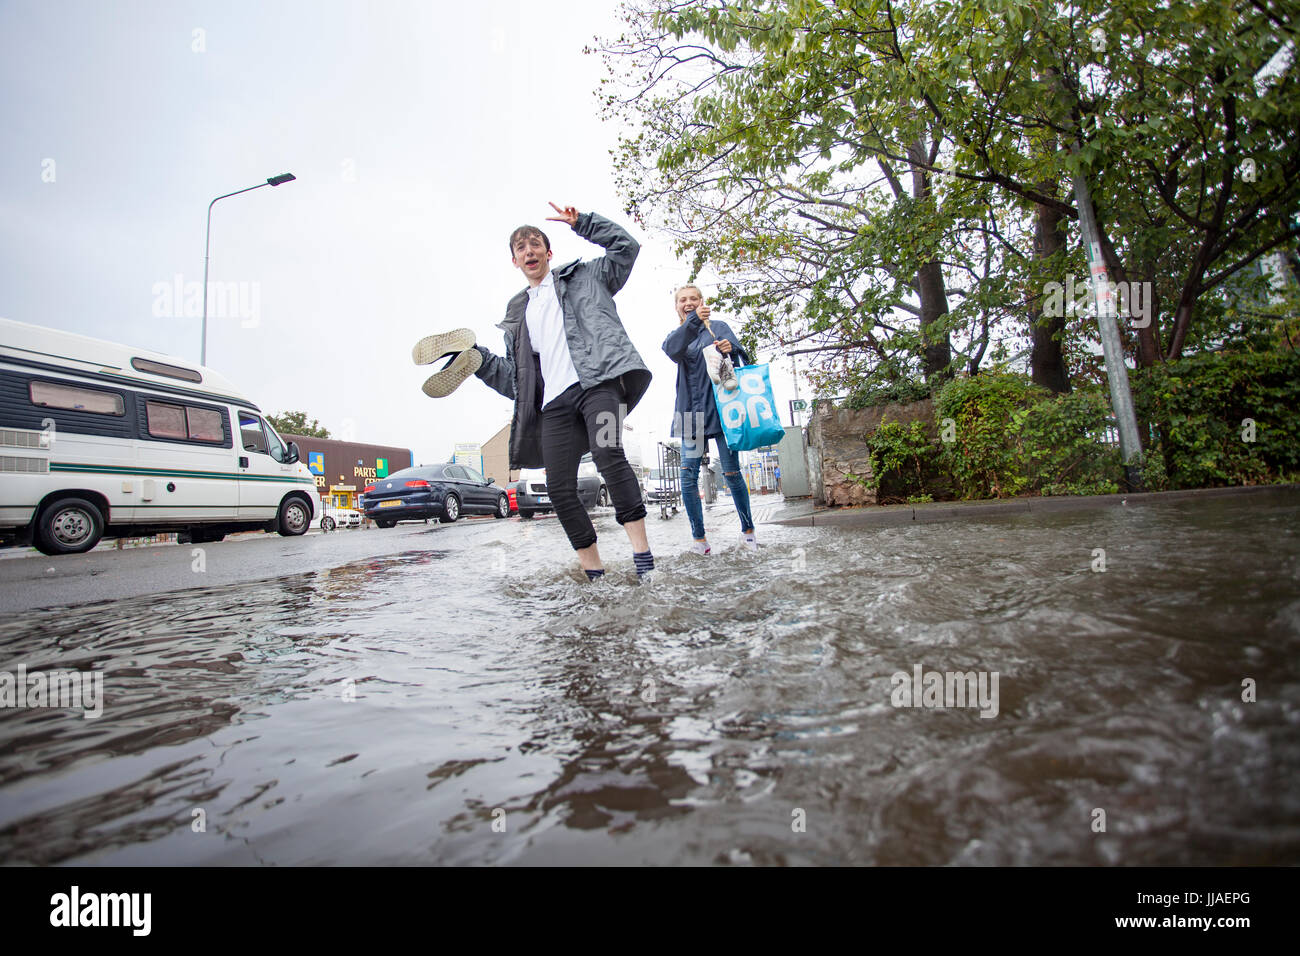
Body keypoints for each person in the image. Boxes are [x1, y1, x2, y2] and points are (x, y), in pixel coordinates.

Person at [448, 203, 654, 581]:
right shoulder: (519, 315)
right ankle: (595, 572)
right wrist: (478, 361)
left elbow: (627, 248)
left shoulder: (587, 276)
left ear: (548, 252)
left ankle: (644, 560)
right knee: (559, 488)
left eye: (534, 243)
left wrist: (583, 223)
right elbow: (518, 380)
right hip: (555, 406)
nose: (529, 250)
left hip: (600, 384)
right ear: (514, 261)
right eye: (520, 247)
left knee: (609, 453)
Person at [662, 285, 757, 553]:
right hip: (690, 414)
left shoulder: (719, 326)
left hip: (723, 410)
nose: (688, 302)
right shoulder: (678, 335)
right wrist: (693, 320)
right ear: (677, 306)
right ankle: (700, 540)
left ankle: (748, 532)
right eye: (683, 299)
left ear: (702, 301)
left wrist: (731, 348)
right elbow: (671, 350)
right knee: (687, 475)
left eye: (694, 298)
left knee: (731, 472)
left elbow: (740, 357)